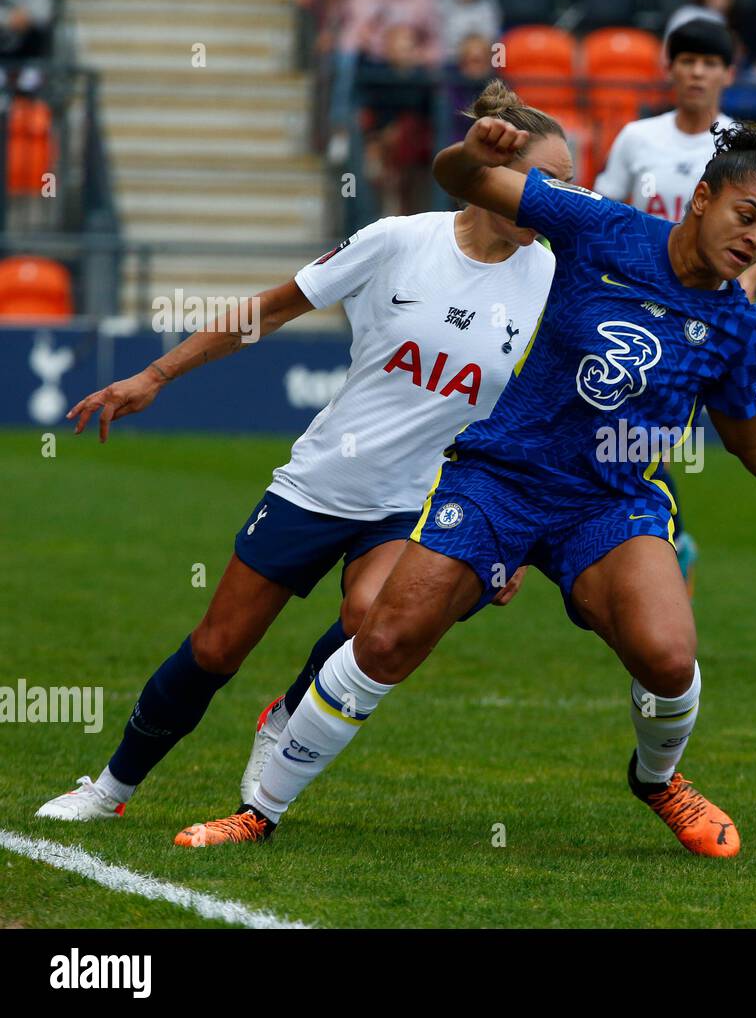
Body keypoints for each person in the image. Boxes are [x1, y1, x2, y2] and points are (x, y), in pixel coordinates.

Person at [174, 116, 756, 858]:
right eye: (747, 216)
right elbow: (460, 179)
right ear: (702, 199)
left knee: (668, 658)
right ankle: (257, 812)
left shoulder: (737, 328)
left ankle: (658, 781)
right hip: (501, 478)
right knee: (388, 636)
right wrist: (470, 152)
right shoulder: (602, 227)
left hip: (610, 502)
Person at [34, 83, 568, 824]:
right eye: (549, 183)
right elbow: (275, 307)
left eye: (570, 186)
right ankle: (111, 789)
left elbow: (551, 413)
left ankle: (287, 715)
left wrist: (521, 537)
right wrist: (154, 375)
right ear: (496, 177)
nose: (561, 202)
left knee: (372, 618)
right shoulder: (397, 240)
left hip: (424, 500)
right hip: (324, 481)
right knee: (217, 649)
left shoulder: (554, 282)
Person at [595, 17, 756, 592]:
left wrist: (750, 279)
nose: (697, 72)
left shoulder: (741, 145)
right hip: (637, 306)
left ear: (727, 73)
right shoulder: (638, 139)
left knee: (645, 430)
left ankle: (661, 541)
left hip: (708, 315)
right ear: (671, 69)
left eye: (709, 62)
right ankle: (663, 540)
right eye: (686, 60)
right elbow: (606, 212)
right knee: (626, 425)